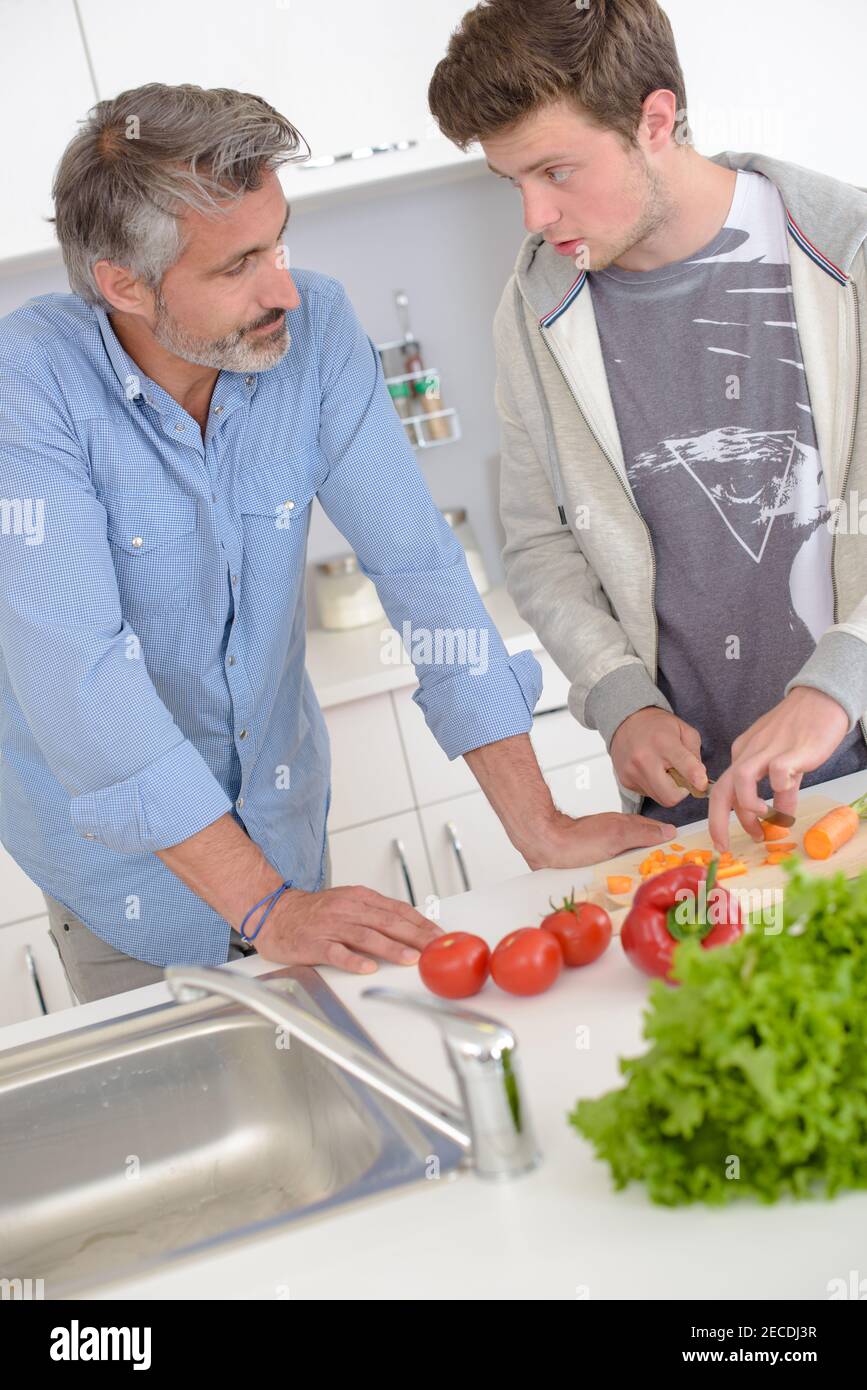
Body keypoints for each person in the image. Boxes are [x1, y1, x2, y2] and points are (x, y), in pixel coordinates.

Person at [0, 83, 673, 1003]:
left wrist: (541, 825)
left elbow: (419, 572)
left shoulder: (311, 333)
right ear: (123, 283)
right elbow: (83, 684)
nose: (282, 287)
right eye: (237, 266)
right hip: (125, 892)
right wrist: (265, 908)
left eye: (278, 241)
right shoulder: (28, 386)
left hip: (285, 836)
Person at [428, 0, 867, 852]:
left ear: (654, 119)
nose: (533, 216)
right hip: (691, 824)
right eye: (511, 182)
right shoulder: (533, 313)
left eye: (555, 171)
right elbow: (541, 543)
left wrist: (838, 681)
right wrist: (617, 694)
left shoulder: (847, 254)